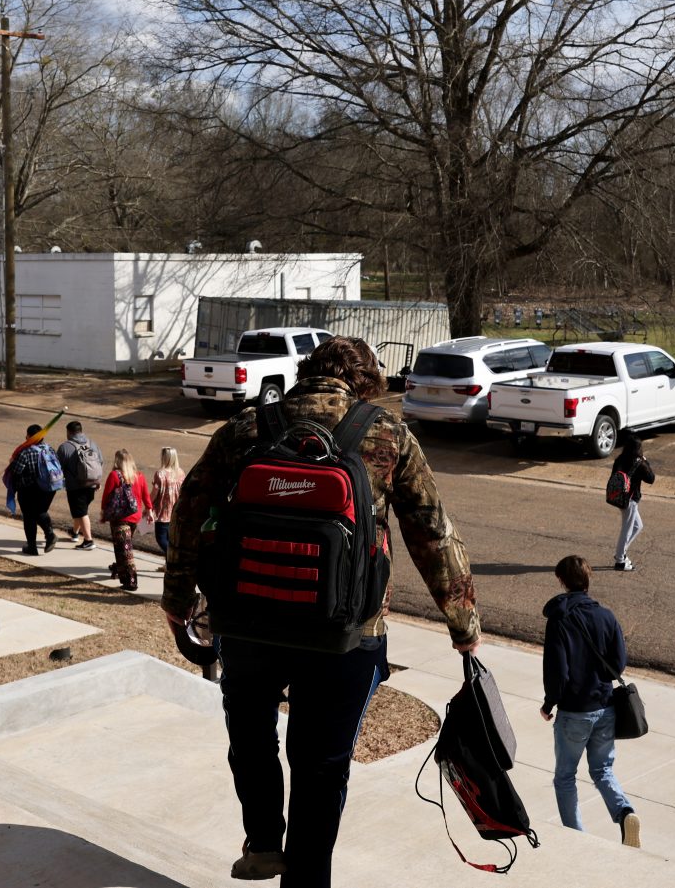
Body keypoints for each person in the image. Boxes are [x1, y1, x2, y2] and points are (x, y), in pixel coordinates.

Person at [163, 335, 480, 886]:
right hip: (347, 634)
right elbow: (432, 533)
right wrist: (463, 626)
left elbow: (189, 513)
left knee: (251, 734)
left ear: (305, 373)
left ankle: (262, 839)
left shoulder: (245, 428)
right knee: (321, 766)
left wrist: (177, 601)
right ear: (367, 385)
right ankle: (305, 880)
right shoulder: (387, 436)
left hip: (248, 622)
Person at [539, 554, 640, 847]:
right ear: (587, 580)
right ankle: (625, 813)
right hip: (606, 707)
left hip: (574, 712)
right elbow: (618, 663)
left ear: (562, 581)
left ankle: (576, 837)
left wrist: (549, 704)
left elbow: (557, 670)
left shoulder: (560, 619)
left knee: (565, 777)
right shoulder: (606, 616)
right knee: (602, 770)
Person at [2, 424, 60, 555]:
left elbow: (16, 470)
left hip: (30, 489)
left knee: (30, 516)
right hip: (50, 488)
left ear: (29, 436)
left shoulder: (26, 452)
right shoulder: (49, 449)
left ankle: (35, 544)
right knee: (40, 512)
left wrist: (12, 461)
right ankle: (47, 536)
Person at [100, 448, 154, 591]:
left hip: (119, 517)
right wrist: (149, 509)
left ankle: (131, 580)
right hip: (134, 517)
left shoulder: (114, 476)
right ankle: (120, 571)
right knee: (123, 546)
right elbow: (145, 496)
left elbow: (106, 496)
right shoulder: (139, 476)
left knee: (124, 550)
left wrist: (103, 512)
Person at [56, 420, 105, 550]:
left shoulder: (65, 447)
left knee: (81, 512)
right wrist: (97, 480)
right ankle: (75, 532)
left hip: (75, 486)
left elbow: (57, 468)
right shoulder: (92, 444)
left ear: (69, 432)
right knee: (81, 509)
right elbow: (100, 461)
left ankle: (88, 540)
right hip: (92, 484)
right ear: (81, 431)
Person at [610, 431, 654, 571]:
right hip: (631, 500)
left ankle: (620, 553)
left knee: (637, 526)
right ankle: (620, 561)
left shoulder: (620, 459)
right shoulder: (639, 462)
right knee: (627, 529)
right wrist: (645, 461)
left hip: (619, 497)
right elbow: (651, 478)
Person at [151, 446, 184, 559]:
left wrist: (148, 506)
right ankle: (168, 564)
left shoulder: (160, 474)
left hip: (163, 513)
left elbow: (154, 494)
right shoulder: (180, 473)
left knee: (161, 539)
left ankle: (173, 557)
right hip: (175, 511)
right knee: (170, 539)